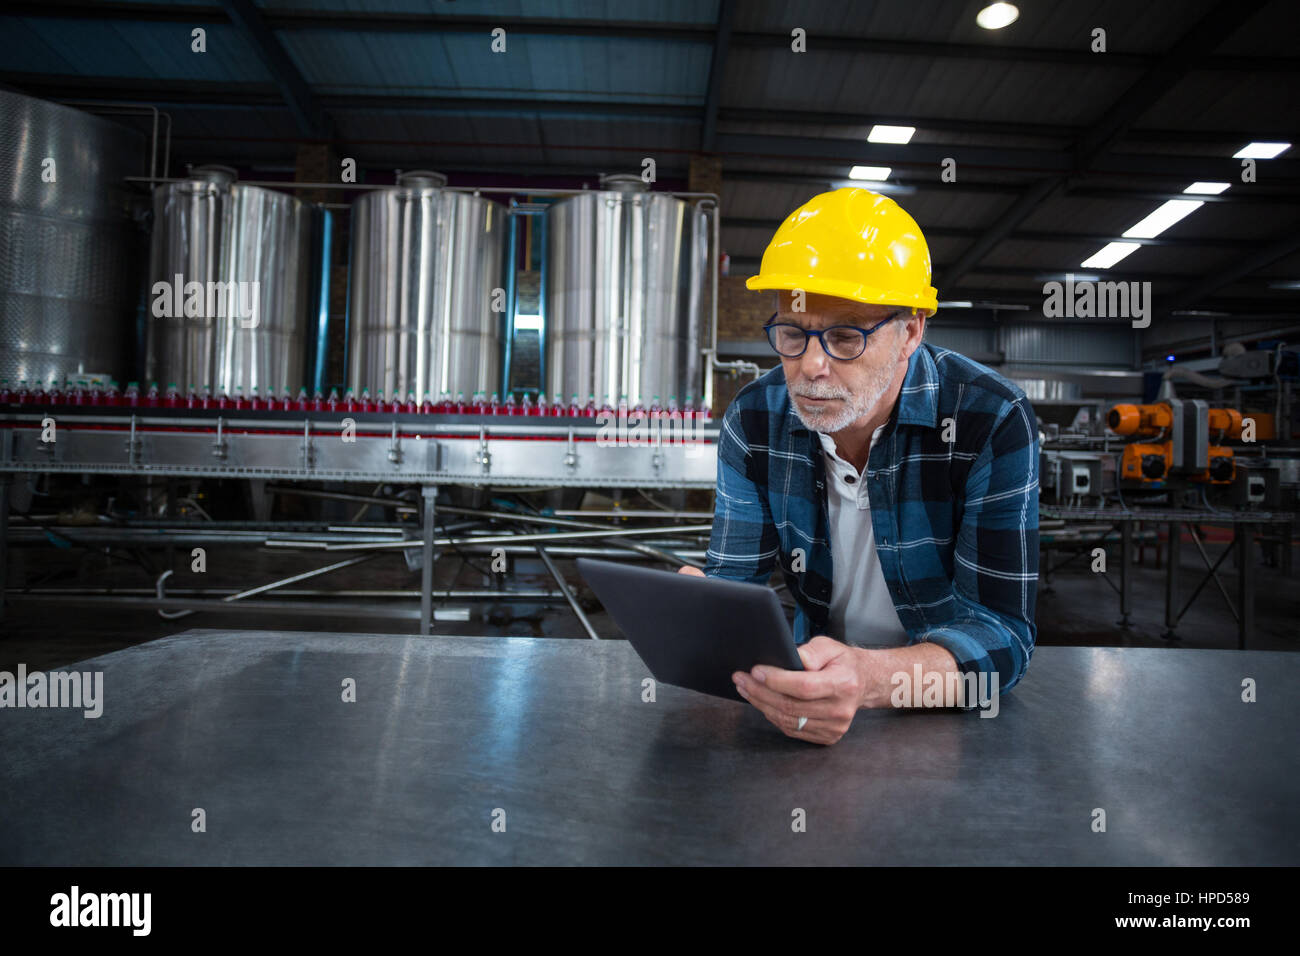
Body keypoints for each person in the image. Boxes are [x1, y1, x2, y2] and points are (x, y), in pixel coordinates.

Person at [681, 188, 1039, 745]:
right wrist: (709, 614)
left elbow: (1002, 638)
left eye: (846, 337)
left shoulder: (989, 418)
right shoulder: (754, 418)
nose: (812, 367)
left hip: (942, 719)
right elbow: (735, 583)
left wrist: (870, 679)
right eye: (794, 334)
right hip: (809, 701)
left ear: (911, 332)